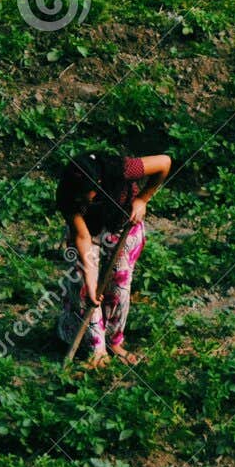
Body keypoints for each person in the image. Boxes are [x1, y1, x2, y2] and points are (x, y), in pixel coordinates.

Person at [54, 151, 171, 367]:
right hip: (89, 232)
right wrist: (90, 281)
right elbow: (82, 236)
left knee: (119, 283)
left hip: (122, 223)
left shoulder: (122, 169)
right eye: (76, 195)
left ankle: (114, 341)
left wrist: (142, 200)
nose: (80, 199)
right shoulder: (66, 194)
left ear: (98, 182)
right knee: (83, 288)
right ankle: (96, 349)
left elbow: (164, 162)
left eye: (84, 194)